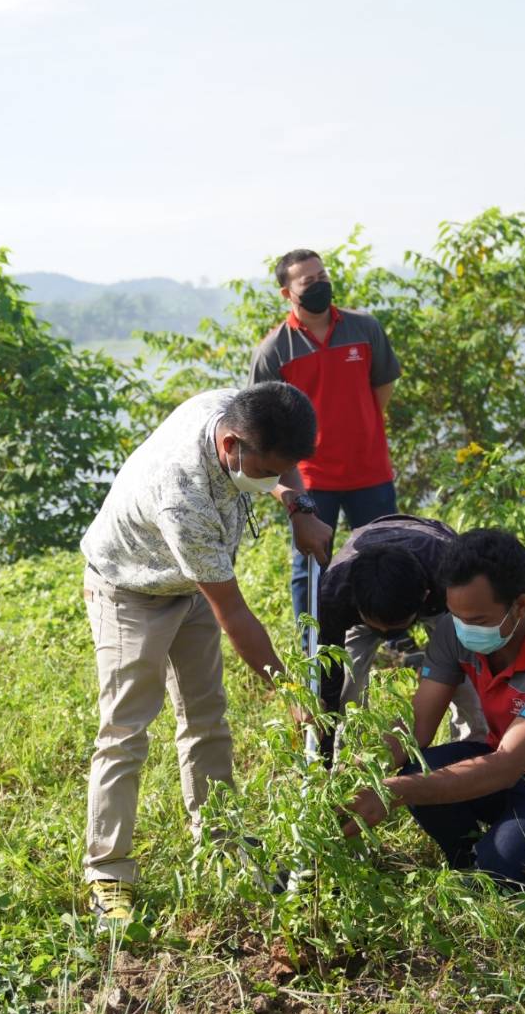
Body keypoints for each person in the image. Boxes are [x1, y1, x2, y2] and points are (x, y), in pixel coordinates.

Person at [80, 381, 333, 928]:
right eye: (265, 471)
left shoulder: (243, 409)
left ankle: (222, 845)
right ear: (232, 446)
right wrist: (290, 691)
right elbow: (235, 615)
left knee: (207, 721)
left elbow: (284, 461)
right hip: (130, 589)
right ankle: (109, 873)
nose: (270, 478)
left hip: (188, 584)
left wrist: (297, 502)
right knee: (125, 732)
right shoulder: (182, 493)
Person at [342, 528, 525, 890]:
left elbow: (504, 767)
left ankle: (503, 865)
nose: (463, 630)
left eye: (477, 621)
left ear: (520, 606)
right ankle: (470, 863)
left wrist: (395, 790)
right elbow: (417, 729)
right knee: (418, 768)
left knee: (499, 862)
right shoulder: (453, 631)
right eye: (456, 616)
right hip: (502, 764)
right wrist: (354, 773)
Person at [248, 248, 401, 619]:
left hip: (370, 471)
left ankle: (396, 635)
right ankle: (312, 650)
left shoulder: (364, 328)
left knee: (386, 557)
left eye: (323, 277)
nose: (320, 285)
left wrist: (360, 425)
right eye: (309, 281)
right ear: (287, 293)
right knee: (311, 566)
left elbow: (382, 385)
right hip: (311, 480)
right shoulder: (273, 351)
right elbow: (261, 421)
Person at [317, 514, 486, 744]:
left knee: (465, 674)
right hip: (368, 577)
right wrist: (324, 746)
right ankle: (346, 754)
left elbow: (479, 651)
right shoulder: (334, 594)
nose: (385, 633)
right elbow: (328, 673)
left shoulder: (451, 574)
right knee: (347, 681)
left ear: (424, 597)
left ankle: (474, 746)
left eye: (394, 628)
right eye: (379, 627)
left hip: (436, 574)